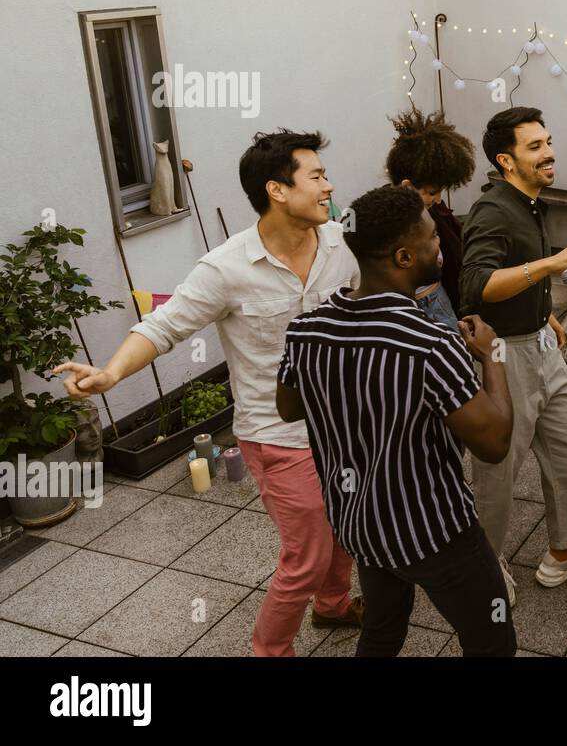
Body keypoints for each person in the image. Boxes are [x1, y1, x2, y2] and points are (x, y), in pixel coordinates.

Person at [55, 130, 365, 656]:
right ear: (278, 190)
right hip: (277, 434)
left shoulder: (342, 245)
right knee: (306, 555)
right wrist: (109, 375)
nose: (329, 186)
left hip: (345, 425)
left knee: (344, 527)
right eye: (316, 177)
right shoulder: (225, 268)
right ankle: (269, 652)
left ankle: (334, 605)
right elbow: (161, 327)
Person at [276, 185, 516, 657]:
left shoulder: (307, 330)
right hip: (437, 532)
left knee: (383, 632)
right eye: (432, 239)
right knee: (492, 639)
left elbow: (289, 407)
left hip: (360, 524)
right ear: (405, 257)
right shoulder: (430, 344)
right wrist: (492, 357)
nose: (442, 245)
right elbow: (495, 442)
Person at [459, 107, 567, 604]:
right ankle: (485, 571)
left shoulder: (529, 202)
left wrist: (543, 310)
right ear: (506, 161)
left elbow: (514, 273)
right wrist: (552, 263)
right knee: (499, 470)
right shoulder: (492, 209)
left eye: (548, 141)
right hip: (504, 358)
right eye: (535, 146)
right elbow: (477, 285)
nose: (549, 152)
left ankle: (564, 552)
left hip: (542, 344)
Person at [384, 106, 476, 329]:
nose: (437, 199)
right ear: (407, 186)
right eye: (432, 192)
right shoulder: (384, 220)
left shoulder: (436, 212)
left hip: (438, 299)